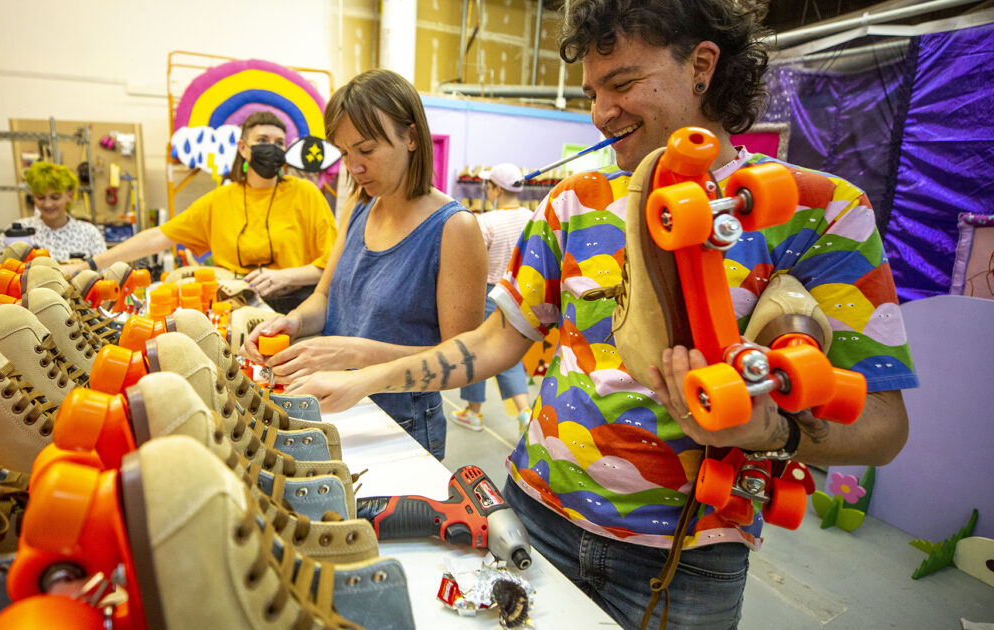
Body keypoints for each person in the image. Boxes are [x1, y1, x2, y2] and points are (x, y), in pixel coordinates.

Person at [285, 2, 917, 628]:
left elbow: (885, 425)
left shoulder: (822, 212)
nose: (601, 112)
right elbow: (495, 342)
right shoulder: (574, 202)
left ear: (702, 66)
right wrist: (365, 378)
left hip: (685, 566)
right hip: (531, 516)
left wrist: (773, 433)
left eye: (623, 83)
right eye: (592, 90)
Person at [242, 68, 487, 460]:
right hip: (338, 406)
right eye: (344, 153)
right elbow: (324, 296)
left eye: (367, 150)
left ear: (410, 137)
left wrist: (353, 354)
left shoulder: (454, 228)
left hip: (400, 426)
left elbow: (461, 359)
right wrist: (295, 323)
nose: (353, 167)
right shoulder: (360, 207)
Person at [64, 112, 337, 313]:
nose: (272, 147)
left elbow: (333, 264)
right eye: (262, 139)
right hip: (234, 308)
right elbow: (158, 237)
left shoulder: (306, 193)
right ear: (243, 148)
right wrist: (89, 265)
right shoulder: (220, 200)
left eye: (279, 143)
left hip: (296, 309)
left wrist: (284, 276)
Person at [450, 163, 534, 434]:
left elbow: (472, 265)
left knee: (476, 349)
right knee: (509, 352)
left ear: (497, 188)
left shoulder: (486, 221)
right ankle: (525, 413)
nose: (486, 189)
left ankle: (473, 413)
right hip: (518, 294)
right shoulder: (532, 218)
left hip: (488, 294)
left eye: (488, 185)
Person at [0, 161, 106, 261]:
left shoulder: (89, 234)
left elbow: (104, 275)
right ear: (33, 197)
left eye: (55, 197)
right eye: (41, 197)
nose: (48, 204)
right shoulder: (16, 233)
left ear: (70, 195)